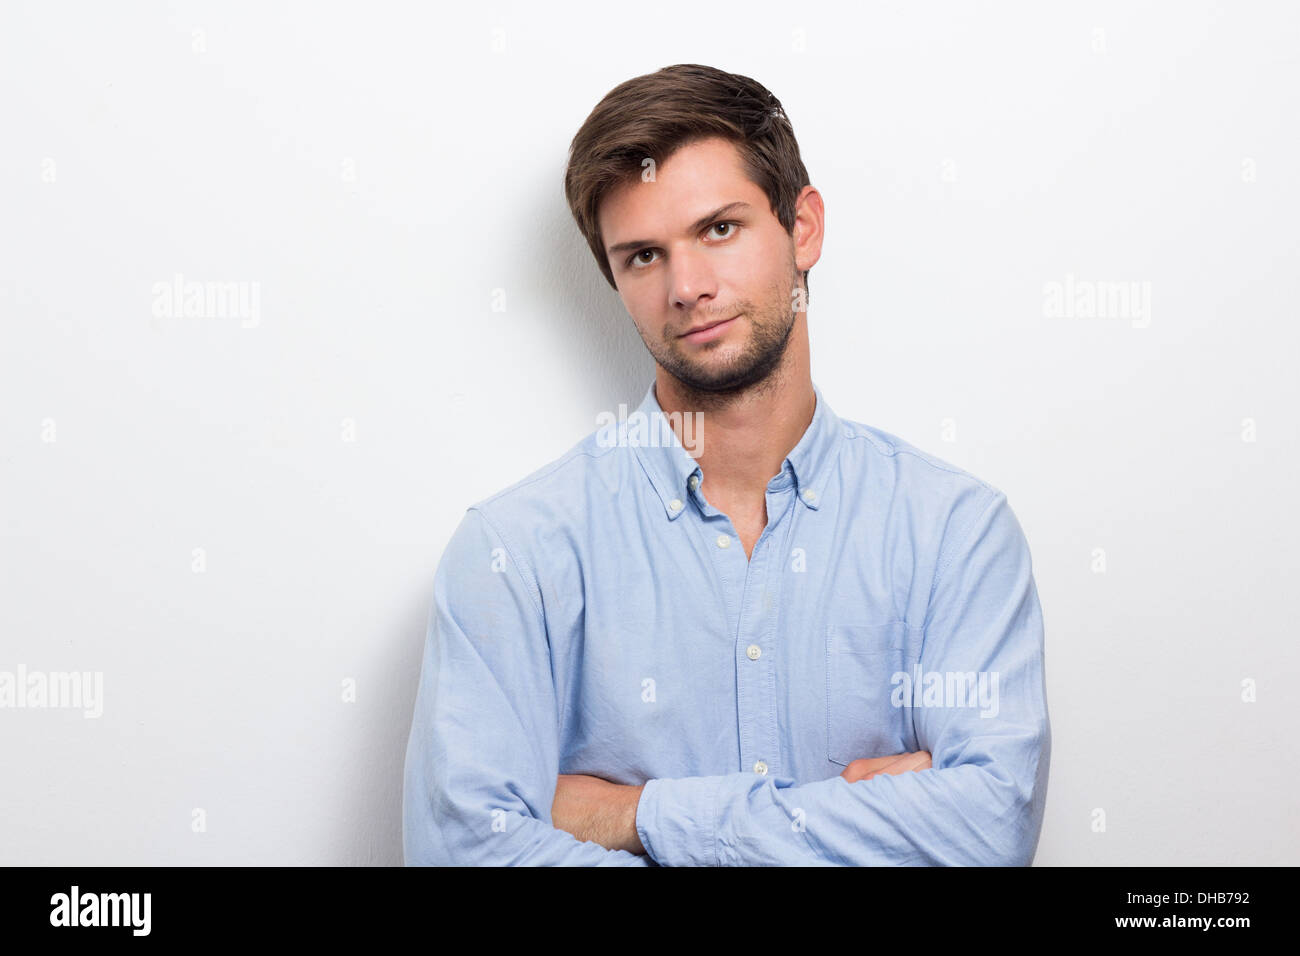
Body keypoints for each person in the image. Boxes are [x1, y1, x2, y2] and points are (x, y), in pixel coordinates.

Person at [402, 63, 1050, 865]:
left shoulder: (955, 533)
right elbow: (464, 853)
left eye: (719, 229)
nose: (687, 286)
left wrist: (637, 816)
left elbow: (988, 834)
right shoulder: (514, 554)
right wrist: (867, 822)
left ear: (802, 227)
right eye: (643, 256)